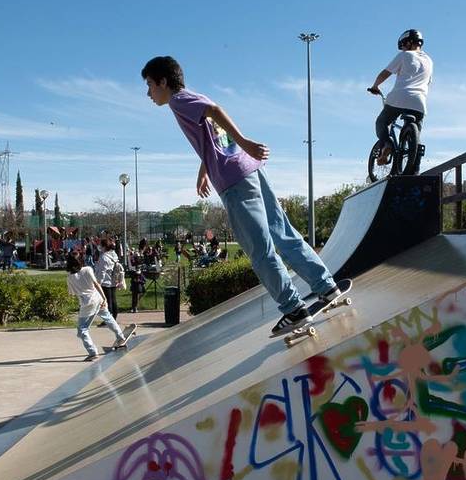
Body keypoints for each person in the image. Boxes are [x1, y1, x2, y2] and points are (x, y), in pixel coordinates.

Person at [142, 55, 340, 335]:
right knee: (282, 232)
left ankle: (293, 309)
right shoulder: (193, 96)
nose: (148, 93)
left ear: (163, 81)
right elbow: (213, 138)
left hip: (234, 180)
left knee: (259, 249)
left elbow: (214, 110)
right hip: (250, 170)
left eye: (150, 85)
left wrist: (245, 142)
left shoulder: (178, 101)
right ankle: (326, 286)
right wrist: (204, 170)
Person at [367, 29, 433, 166]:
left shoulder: (404, 56)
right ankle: (414, 169)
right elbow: (428, 82)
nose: (402, 48)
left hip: (399, 97)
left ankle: (386, 145)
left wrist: (375, 86)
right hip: (419, 102)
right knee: (415, 139)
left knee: (381, 122)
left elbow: (385, 73)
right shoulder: (429, 61)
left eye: (403, 45)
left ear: (409, 43)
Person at [65, 252, 135, 362]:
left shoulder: (69, 277)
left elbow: (72, 293)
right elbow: (97, 284)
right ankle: (121, 337)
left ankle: (92, 352)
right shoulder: (87, 269)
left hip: (87, 303)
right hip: (98, 298)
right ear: (81, 260)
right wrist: (104, 298)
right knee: (108, 317)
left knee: (82, 329)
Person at [95, 234, 123, 319]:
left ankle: (109, 318)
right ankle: (114, 316)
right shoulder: (113, 254)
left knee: (107, 300)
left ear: (104, 246)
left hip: (105, 281)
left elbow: (102, 271)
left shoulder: (104, 257)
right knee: (113, 299)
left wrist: (98, 282)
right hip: (114, 279)